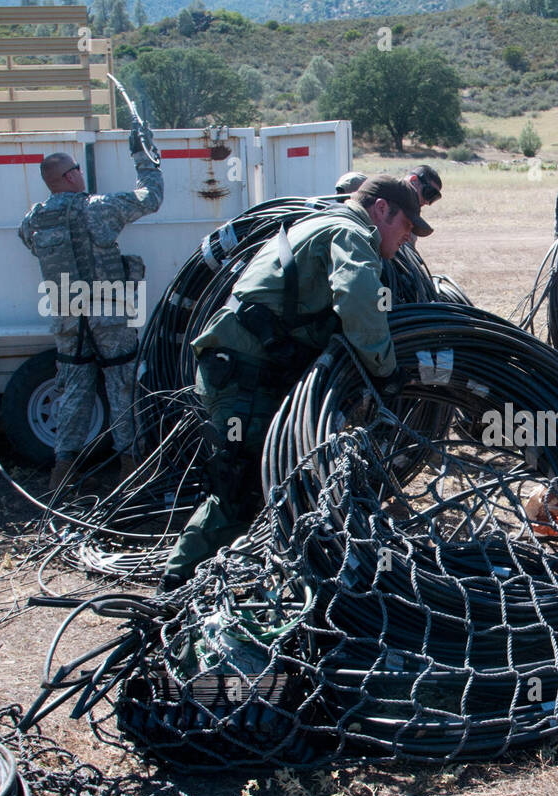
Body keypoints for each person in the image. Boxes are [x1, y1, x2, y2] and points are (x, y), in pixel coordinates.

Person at [158, 174, 429, 591]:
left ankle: (243, 579)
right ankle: (176, 587)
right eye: (406, 225)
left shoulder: (316, 224)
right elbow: (358, 298)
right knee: (242, 487)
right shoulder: (350, 232)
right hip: (243, 377)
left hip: (242, 369)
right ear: (380, 210)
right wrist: (386, 371)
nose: (408, 237)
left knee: (272, 481)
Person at [19, 120, 163, 490]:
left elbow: (28, 241)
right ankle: (132, 470)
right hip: (109, 311)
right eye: (76, 169)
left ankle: (62, 474)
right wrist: (143, 154)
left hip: (68, 314)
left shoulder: (35, 218)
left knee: (73, 391)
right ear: (68, 177)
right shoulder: (97, 208)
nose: (81, 174)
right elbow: (151, 197)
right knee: (122, 386)